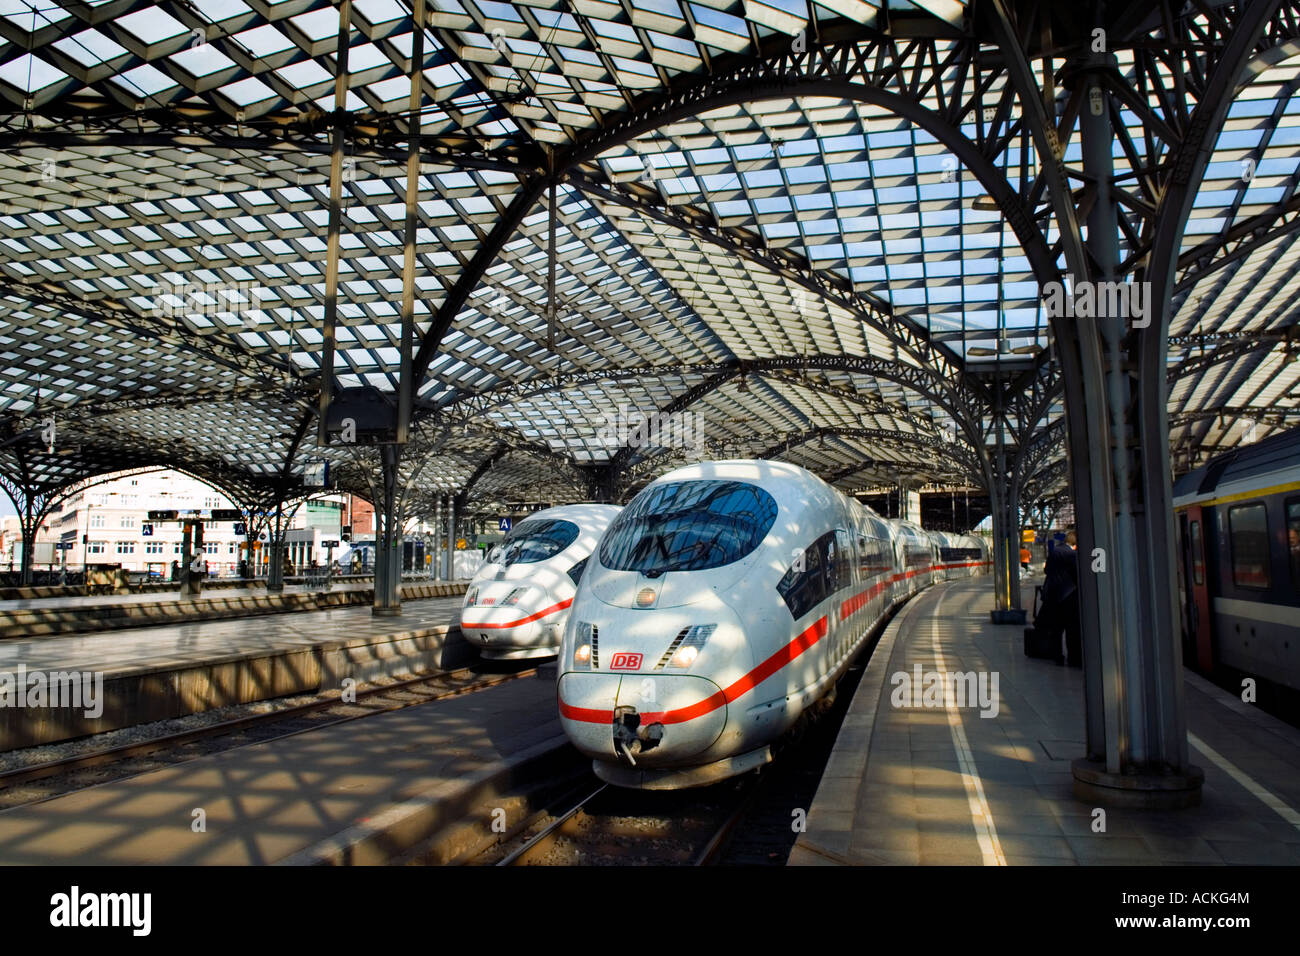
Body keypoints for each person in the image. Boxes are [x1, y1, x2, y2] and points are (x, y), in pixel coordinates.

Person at [1040, 530, 1080, 667]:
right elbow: (1077, 574)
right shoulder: (1072, 554)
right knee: (1071, 628)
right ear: (1075, 543)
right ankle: (1073, 657)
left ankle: (1057, 656)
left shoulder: (1055, 551)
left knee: (1056, 628)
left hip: (1052, 595)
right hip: (1068, 596)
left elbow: (1047, 571)